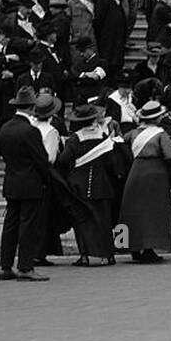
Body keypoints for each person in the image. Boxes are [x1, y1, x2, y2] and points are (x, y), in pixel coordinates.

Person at [56, 102, 129, 266]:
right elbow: (111, 162)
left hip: (79, 186)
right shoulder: (103, 137)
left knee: (82, 222)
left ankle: (85, 256)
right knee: (103, 221)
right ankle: (108, 255)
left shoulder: (75, 139)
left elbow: (63, 160)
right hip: (102, 185)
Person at [0, 86, 52, 281]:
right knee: (28, 227)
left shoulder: (5, 127)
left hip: (11, 181)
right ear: (31, 107)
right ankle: (26, 266)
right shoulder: (30, 131)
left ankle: (5, 265)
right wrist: (47, 181)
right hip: (30, 183)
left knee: (10, 225)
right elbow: (41, 160)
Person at [122, 101, 171, 262]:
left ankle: (129, 246)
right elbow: (170, 156)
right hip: (155, 173)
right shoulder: (160, 134)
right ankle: (149, 248)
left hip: (135, 170)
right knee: (153, 212)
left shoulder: (133, 133)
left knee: (132, 210)